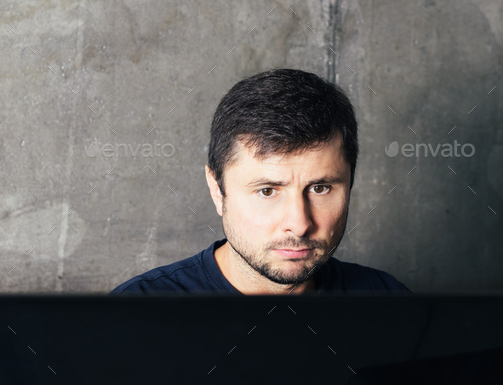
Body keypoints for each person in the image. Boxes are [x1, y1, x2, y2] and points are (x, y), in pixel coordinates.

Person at [110, 68, 411, 295]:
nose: (300, 223)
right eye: (267, 191)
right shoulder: (134, 317)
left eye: (320, 188)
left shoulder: (393, 306)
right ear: (218, 190)